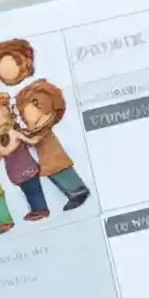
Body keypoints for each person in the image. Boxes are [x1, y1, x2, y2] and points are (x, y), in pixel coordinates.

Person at [17, 79, 91, 211]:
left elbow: (34, 141)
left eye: (39, 119)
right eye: (27, 119)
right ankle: (72, 194)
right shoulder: (36, 130)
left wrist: (22, 136)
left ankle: (78, 192)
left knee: (64, 174)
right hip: (48, 160)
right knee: (57, 176)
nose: (33, 123)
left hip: (54, 158)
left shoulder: (44, 131)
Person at [0, 93, 49, 222]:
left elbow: (29, 141)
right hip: (16, 173)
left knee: (34, 190)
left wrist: (37, 137)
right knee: (28, 191)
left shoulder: (13, 133)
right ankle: (36, 209)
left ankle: (41, 209)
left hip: (26, 168)